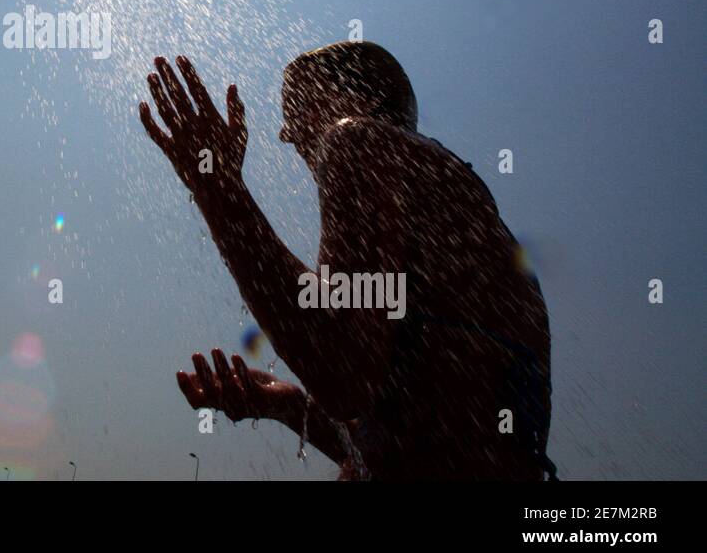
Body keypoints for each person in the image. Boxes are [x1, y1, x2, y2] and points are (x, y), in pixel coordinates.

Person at [140, 43, 555, 480]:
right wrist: (287, 405)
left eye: (296, 104)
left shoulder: (357, 139)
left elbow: (343, 374)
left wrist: (218, 188)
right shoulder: (467, 212)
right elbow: (403, 440)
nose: (286, 133)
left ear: (353, 97)